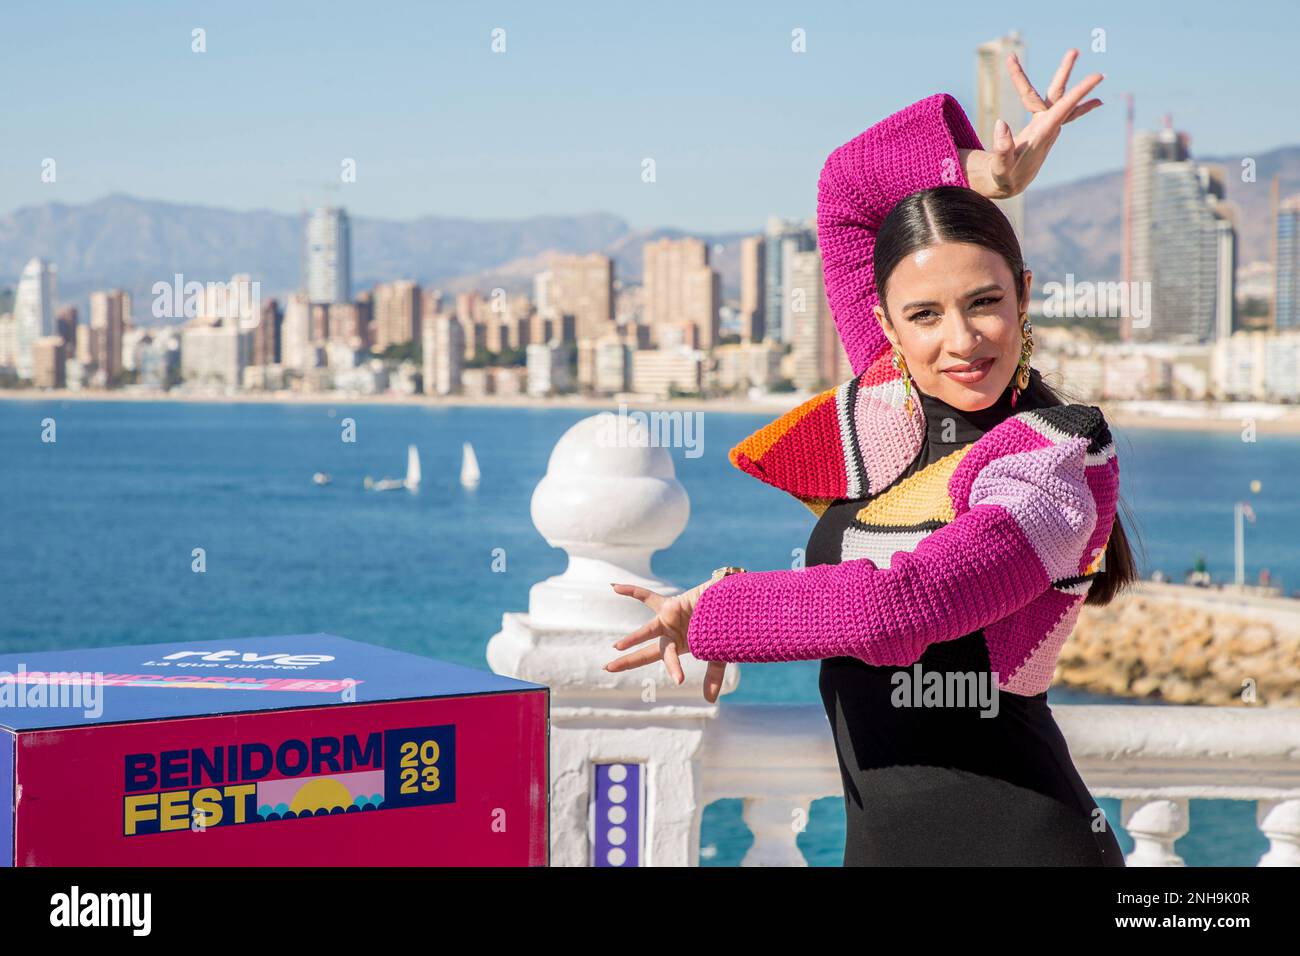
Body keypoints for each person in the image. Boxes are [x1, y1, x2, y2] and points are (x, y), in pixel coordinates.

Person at [605, 49, 1143, 866]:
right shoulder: (890, 408)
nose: (960, 340)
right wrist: (983, 174)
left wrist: (717, 613)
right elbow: (847, 185)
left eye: (986, 303)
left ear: (1024, 296)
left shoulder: (1055, 460)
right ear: (886, 327)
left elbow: (897, 612)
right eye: (923, 314)